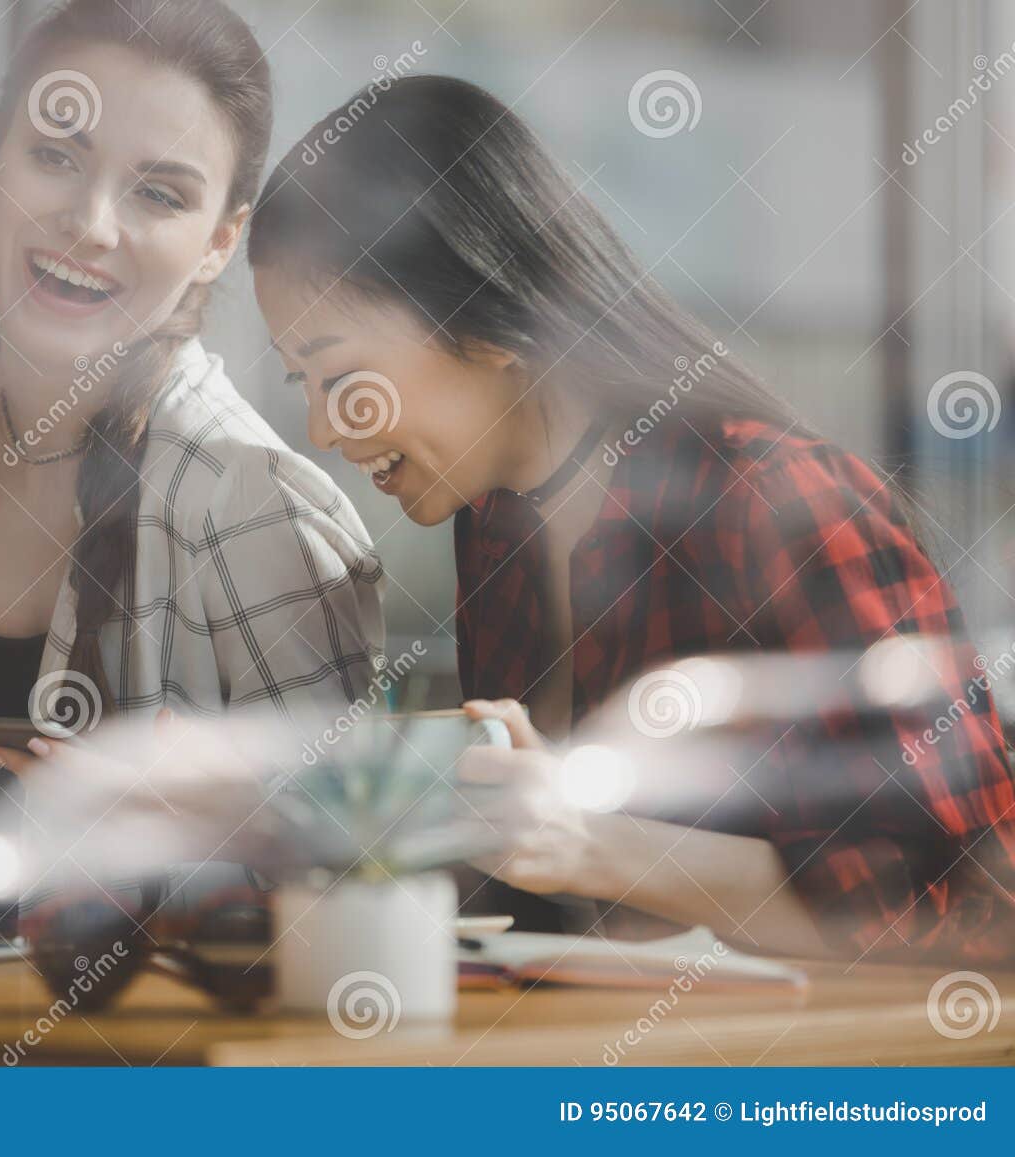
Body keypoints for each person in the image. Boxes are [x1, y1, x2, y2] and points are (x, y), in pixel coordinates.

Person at [248, 74, 1015, 964]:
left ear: (488, 322)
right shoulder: (496, 525)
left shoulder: (779, 502)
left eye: (340, 377)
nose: (320, 430)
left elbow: (976, 913)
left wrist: (590, 840)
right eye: (301, 384)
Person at [0, 0, 385, 827]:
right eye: (55, 156)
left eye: (160, 194)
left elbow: (364, 855)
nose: (90, 226)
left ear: (219, 244)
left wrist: (181, 833)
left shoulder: (259, 508)